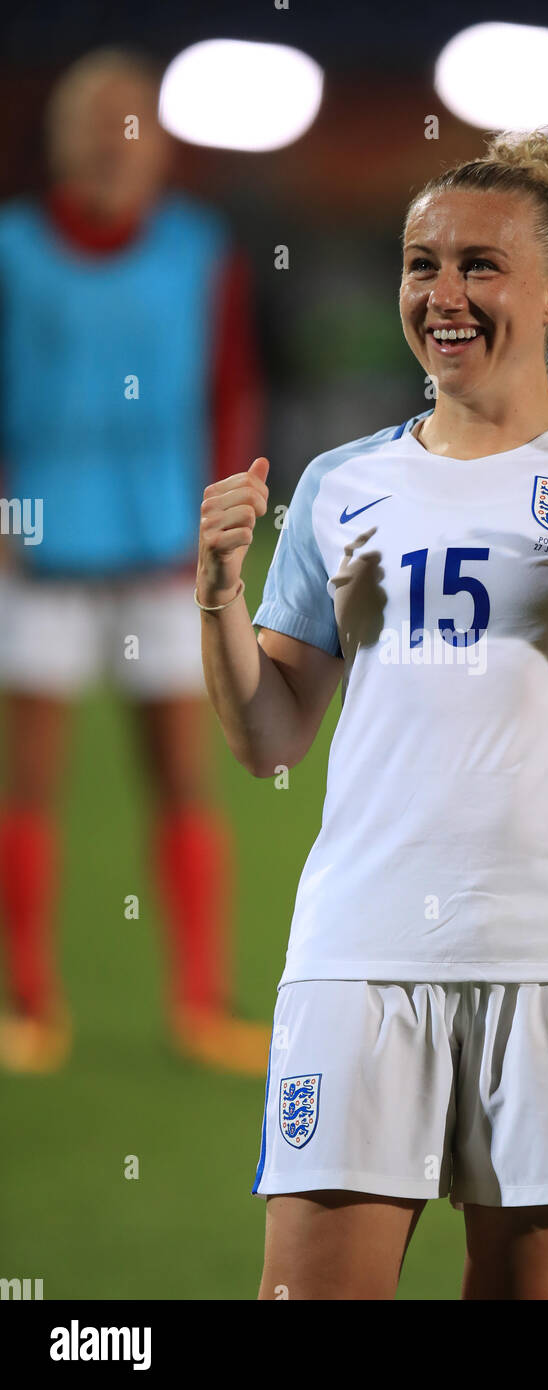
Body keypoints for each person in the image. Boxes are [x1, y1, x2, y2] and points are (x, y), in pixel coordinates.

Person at [196, 126, 548, 1300]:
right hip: (357, 951)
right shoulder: (339, 485)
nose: (442, 293)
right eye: (419, 262)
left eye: (477, 266)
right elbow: (269, 732)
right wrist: (219, 603)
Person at [0, 48, 268, 1075]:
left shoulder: (201, 251)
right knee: (30, 782)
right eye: (94, 122)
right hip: (40, 553)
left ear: (158, 146)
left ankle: (200, 1003)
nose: (115, 143)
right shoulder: (15, 249)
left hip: (167, 552)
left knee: (184, 775)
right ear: (62, 140)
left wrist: (221, 527)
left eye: (133, 123)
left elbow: (230, 390)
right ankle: (31, 1001)